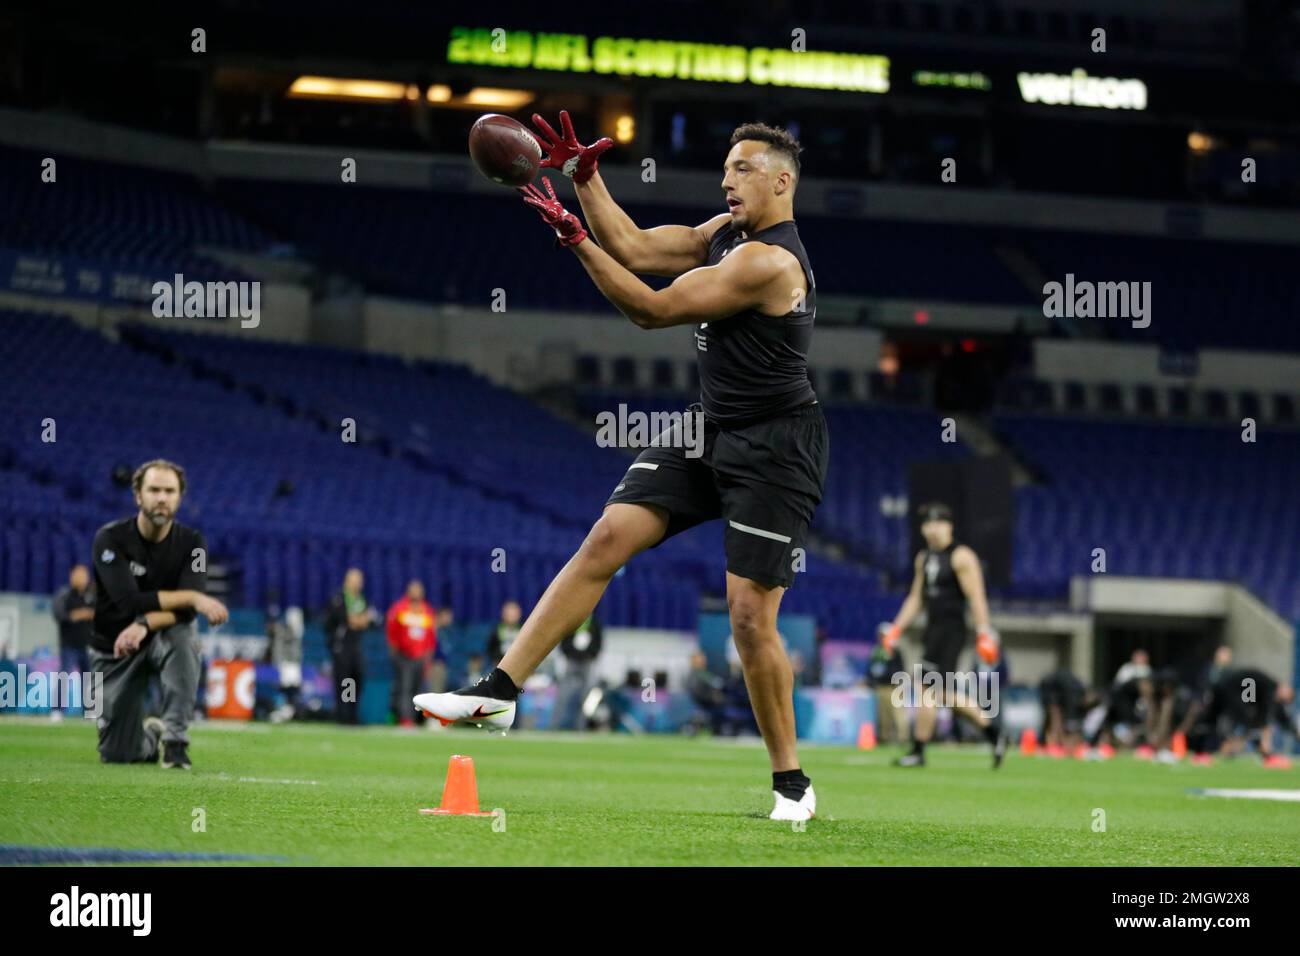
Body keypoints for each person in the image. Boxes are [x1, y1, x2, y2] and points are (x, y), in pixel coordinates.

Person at [417, 113, 829, 821]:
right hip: (711, 427)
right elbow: (636, 248)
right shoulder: (725, 235)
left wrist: (571, 238)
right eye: (726, 168)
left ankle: (791, 782)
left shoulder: (769, 262)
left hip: (775, 445)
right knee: (607, 538)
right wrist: (586, 181)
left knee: (749, 619)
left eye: (744, 170)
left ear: (782, 181)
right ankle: (499, 692)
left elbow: (649, 308)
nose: (727, 179)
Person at [89, 459, 228, 768]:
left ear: (179, 498)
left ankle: (176, 742)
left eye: (169, 491)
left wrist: (145, 624)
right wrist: (192, 596)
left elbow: (187, 614)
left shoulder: (193, 544)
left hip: (160, 636)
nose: (162, 498)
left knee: (185, 639)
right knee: (116, 754)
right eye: (153, 490)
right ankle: (149, 739)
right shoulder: (109, 539)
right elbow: (127, 600)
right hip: (113, 648)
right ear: (138, 495)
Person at [880, 502, 1006, 768]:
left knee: (928, 688)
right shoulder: (923, 558)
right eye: (927, 524)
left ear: (949, 526)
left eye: (938, 523)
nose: (932, 529)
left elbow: (976, 597)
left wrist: (984, 632)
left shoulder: (961, 556)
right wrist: (896, 628)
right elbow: (916, 598)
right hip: (932, 630)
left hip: (952, 631)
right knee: (941, 695)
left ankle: (918, 750)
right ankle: (993, 732)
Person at [324, 568, 376, 725]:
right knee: (344, 680)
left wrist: (358, 621)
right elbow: (349, 620)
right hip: (341, 646)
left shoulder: (361, 599)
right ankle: (343, 713)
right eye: (357, 580)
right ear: (348, 581)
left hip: (355, 645)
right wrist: (358, 620)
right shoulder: (339, 598)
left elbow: (366, 620)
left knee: (355, 679)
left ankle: (352, 713)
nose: (360, 583)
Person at [385, 580, 436, 727]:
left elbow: (431, 636)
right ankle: (405, 719)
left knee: (417, 689)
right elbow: (391, 631)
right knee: (405, 688)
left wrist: (428, 655)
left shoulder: (426, 610)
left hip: (420, 656)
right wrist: (394, 652)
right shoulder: (400, 608)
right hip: (403, 656)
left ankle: (416, 719)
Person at [51, 563, 95, 718]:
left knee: (89, 679)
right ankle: (57, 710)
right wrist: (78, 615)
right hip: (69, 645)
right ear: (72, 576)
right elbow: (58, 615)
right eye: (78, 574)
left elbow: (104, 615)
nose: (81, 578)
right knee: (64, 676)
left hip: (89, 645)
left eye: (84, 575)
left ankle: (90, 711)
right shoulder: (64, 595)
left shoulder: (93, 595)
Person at [554, 613, 603, 730]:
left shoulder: (595, 624)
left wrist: (587, 656)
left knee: (588, 696)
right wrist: (573, 655)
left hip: (588, 663)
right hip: (572, 662)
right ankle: (554, 725)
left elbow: (598, 644)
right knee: (563, 694)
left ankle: (582, 726)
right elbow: (564, 642)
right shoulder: (572, 622)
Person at [485, 600, 522, 666]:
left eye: (514, 614)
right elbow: (490, 650)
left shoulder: (523, 630)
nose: (512, 617)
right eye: (509, 614)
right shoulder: (496, 630)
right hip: (499, 664)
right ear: (503, 615)